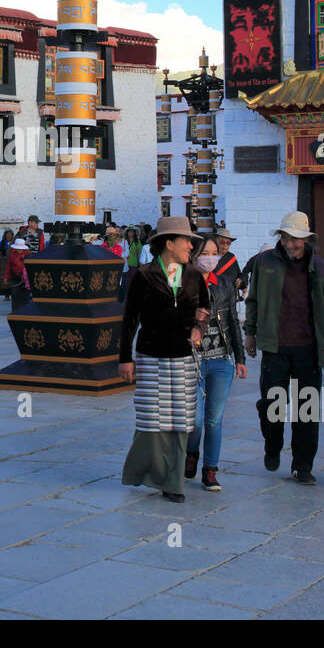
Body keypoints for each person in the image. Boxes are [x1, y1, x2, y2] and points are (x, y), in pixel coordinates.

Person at [118, 216, 210, 503]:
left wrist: (198, 328)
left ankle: (173, 481)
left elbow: (206, 310)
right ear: (169, 243)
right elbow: (129, 319)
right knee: (152, 420)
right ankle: (147, 472)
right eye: (186, 242)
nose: (190, 247)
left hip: (182, 356)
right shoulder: (144, 276)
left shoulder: (194, 276)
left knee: (181, 421)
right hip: (150, 355)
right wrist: (125, 358)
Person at [244, 211, 324, 486]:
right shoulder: (265, 263)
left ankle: (302, 465)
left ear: (307, 240)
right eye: (286, 238)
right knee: (272, 406)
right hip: (275, 348)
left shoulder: (320, 268)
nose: (291, 244)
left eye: (296, 239)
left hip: (308, 350)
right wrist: (250, 334)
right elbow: (253, 300)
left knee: (306, 411)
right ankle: (272, 446)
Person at [185, 236, 247, 492]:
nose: (210, 257)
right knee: (196, 420)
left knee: (214, 419)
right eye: (205, 253)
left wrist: (240, 358)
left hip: (221, 359)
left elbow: (232, 321)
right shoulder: (181, 286)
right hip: (192, 361)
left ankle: (210, 470)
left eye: (214, 253)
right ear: (193, 256)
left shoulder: (224, 284)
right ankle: (191, 452)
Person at [6, 237, 31, 312]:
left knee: (25, 295)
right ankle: (15, 310)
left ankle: (24, 310)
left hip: (25, 279)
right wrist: (6, 277)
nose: (19, 250)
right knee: (15, 294)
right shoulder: (12, 254)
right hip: (15, 277)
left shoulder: (28, 254)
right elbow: (9, 266)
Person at [121, 227, 142, 302]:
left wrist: (140, 263)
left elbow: (139, 253)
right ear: (127, 233)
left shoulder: (137, 241)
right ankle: (124, 298)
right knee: (124, 282)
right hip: (124, 264)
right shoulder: (123, 241)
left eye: (132, 232)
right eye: (129, 232)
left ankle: (131, 298)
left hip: (133, 263)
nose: (131, 233)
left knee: (132, 282)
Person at [0, 229, 14, 299]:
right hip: (4, 264)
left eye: (10, 234)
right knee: (4, 278)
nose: (8, 236)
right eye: (7, 234)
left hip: (12, 262)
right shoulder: (1, 243)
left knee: (12, 278)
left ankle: (13, 293)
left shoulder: (14, 243)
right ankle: (6, 295)